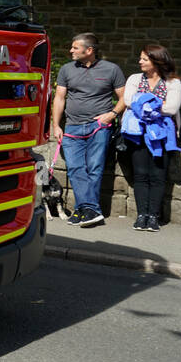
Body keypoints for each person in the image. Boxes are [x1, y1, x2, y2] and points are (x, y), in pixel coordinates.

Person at [51, 32, 125, 227]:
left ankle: (83, 209)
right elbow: (59, 98)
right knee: (75, 169)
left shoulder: (111, 69)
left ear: (89, 50)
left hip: (98, 127)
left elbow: (125, 97)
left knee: (94, 168)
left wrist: (112, 114)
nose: (71, 50)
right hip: (72, 127)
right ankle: (89, 209)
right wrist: (56, 124)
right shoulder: (67, 70)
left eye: (75, 47)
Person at [116, 44, 181, 232]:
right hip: (137, 134)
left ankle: (153, 217)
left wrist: (143, 103)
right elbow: (129, 101)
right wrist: (154, 103)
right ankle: (141, 215)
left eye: (144, 59)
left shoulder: (173, 82)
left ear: (156, 61)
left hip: (162, 135)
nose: (140, 62)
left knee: (157, 175)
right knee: (140, 174)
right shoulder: (135, 79)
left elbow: (171, 108)